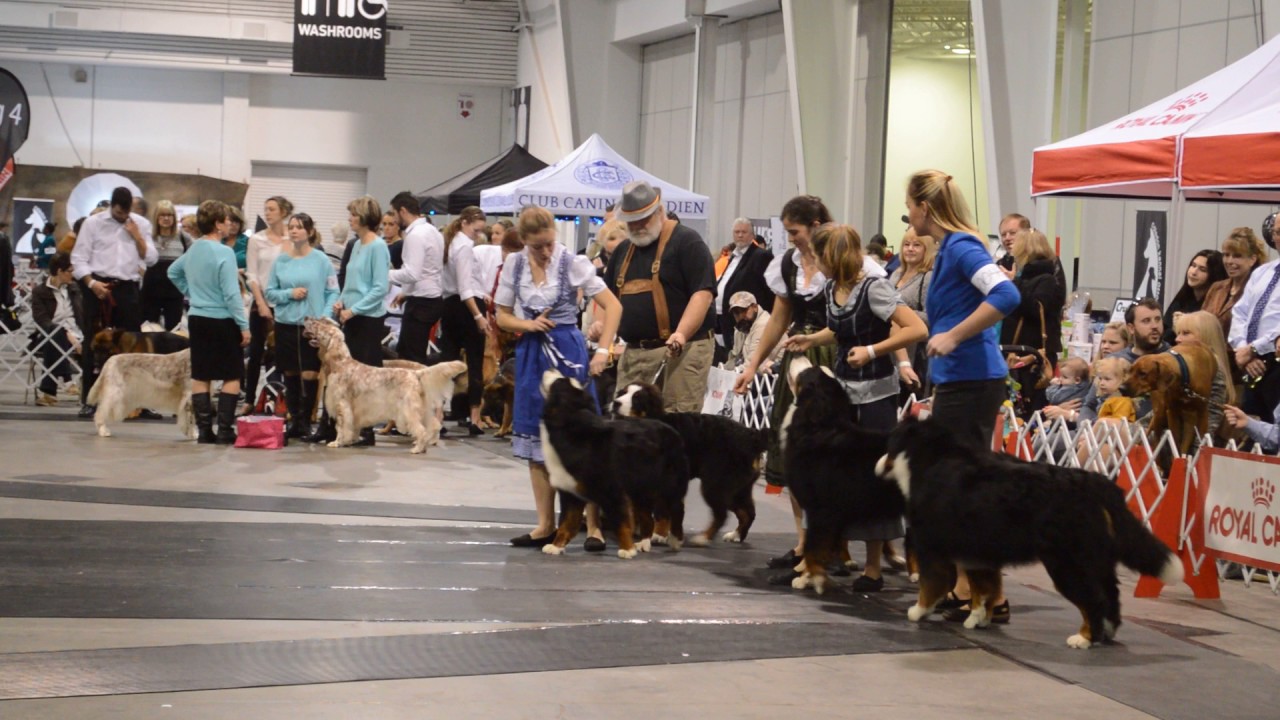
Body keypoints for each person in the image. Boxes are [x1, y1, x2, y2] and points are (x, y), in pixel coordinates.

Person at [731, 195, 894, 574]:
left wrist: (894, 359)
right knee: (797, 454)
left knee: (835, 457)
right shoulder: (787, 264)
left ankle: (838, 547)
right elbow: (778, 320)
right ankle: (805, 544)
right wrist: (752, 365)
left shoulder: (854, 265)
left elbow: (883, 320)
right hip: (799, 354)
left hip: (837, 358)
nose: (790, 239)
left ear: (816, 226)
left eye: (795, 231)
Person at [782, 224, 927, 591]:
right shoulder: (833, 288)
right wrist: (811, 339)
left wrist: (873, 351)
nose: (815, 262)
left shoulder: (875, 288)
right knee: (828, 480)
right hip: (843, 394)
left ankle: (873, 568)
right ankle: (819, 558)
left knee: (874, 481)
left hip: (876, 395)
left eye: (819, 256)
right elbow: (840, 330)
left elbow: (916, 329)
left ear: (833, 256)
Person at [908, 169, 1020, 625]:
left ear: (925, 208)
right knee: (957, 491)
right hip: (961, 381)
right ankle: (970, 589)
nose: (908, 216)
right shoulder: (951, 249)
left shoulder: (961, 247)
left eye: (909, 207)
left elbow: (1007, 294)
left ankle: (988, 594)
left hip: (972, 381)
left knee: (964, 492)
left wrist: (954, 335)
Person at [495, 206, 621, 550]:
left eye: (550, 243)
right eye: (538, 246)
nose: (546, 251)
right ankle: (545, 524)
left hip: (567, 351)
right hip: (532, 354)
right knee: (536, 436)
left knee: (583, 439)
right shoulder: (515, 264)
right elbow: (502, 316)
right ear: (524, 241)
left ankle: (593, 526)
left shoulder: (572, 262)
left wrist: (603, 350)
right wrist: (527, 324)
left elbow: (614, 306)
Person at [604, 181, 717, 413]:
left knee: (677, 421)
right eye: (632, 221)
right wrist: (602, 327)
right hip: (634, 355)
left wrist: (681, 333)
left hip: (681, 352)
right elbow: (608, 298)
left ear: (659, 211)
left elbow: (702, 294)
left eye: (643, 219)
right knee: (627, 424)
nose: (637, 226)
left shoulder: (687, 242)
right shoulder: (622, 252)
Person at [167, 200, 250, 444]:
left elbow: (173, 272)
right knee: (232, 375)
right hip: (222, 320)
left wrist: (192, 293)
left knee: (201, 375)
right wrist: (244, 325)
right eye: (227, 220)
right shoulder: (224, 252)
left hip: (197, 318)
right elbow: (232, 294)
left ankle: (204, 431)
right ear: (217, 224)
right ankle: (224, 430)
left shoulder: (193, 249)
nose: (230, 224)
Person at [71, 186, 157, 418]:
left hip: (127, 288)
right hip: (98, 287)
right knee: (94, 344)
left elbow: (151, 258)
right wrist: (92, 284)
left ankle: (137, 403)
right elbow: (78, 259)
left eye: (126, 212)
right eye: (119, 212)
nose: (122, 216)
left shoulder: (140, 224)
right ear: (112, 206)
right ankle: (91, 400)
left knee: (134, 346)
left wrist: (137, 236)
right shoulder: (93, 223)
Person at [314, 196, 391, 447]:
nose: (350, 218)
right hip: (351, 315)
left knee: (365, 378)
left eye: (354, 214)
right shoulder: (355, 244)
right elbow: (349, 282)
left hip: (368, 319)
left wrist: (354, 309)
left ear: (366, 217)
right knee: (344, 376)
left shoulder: (378, 247)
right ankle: (338, 426)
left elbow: (380, 287)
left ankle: (366, 430)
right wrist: (341, 302)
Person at [265, 213, 338, 439]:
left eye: (299, 227)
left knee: (310, 373)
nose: (294, 231)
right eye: (292, 227)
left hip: (312, 326)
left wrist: (325, 317)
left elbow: (333, 291)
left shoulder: (321, 260)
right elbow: (270, 293)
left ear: (310, 231)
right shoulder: (281, 261)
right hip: (285, 324)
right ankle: (294, 420)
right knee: (290, 373)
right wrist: (289, 293)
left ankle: (307, 421)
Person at [439, 206, 490, 435]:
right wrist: (478, 315)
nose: (478, 235)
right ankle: (474, 418)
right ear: (465, 223)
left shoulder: (450, 243)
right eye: (476, 230)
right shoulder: (464, 247)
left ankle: (438, 416)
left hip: (449, 306)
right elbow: (465, 288)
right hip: (468, 307)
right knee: (475, 363)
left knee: (446, 364)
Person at [1227, 221, 1280, 423]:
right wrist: (1244, 350)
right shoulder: (1262, 273)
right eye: (1277, 232)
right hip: (1250, 364)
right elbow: (1240, 312)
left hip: (1275, 359)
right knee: (1251, 427)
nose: (1278, 237)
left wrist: (1255, 348)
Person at [244, 196, 293, 412]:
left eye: (272, 209)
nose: (267, 213)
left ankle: (283, 400)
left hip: (285, 302)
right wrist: (261, 302)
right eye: (266, 209)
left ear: (283, 212)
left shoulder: (292, 238)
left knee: (284, 352)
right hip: (261, 300)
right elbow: (252, 274)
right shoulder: (256, 239)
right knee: (256, 352)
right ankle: (249, 400)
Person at [387, 192, 446, 367]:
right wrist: (406, 292)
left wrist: (385, 274)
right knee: (409, 352)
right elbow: (428, 269)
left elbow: (412, 274)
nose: (394, 219)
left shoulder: (415, 235)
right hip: (431, 298)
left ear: (403, 211)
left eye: (394, 214)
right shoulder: (432, 231)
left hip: (422, 303)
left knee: (411, 358)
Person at [1042, 321, 1132, 424]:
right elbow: (1087, 405)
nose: (1105, 346)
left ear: (1127, 345)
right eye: (1103, 342)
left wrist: (1070, 415)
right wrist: (1060, 407)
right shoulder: (1093, 373)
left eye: (1112, 343)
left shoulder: (1126, 379)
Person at [713, 218, 774, 365]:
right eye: (737, 232)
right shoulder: (732, 256)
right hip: (722, 318)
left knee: (738, 357)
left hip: (745, 319)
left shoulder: (761, 256)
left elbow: (769, 291)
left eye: (744, 232)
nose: (740, 235)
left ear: (752, 235)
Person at [30, 252, 84, 406]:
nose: (73, 274)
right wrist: (66, 334)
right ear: (60, 271)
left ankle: (49, 392)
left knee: (54, 341)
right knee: (55, 332)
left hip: (76, 334)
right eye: (70, 271)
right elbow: (42, 320)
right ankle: (67, 379)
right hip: (49, 334)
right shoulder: (40, 292)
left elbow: (82, 315)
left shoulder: (75, 289)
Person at [1175, 310, 1235, 442]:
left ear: (1206, 337)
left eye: (1186, 333)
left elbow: (1209, 421)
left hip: (1188, 443)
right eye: (1178, 333)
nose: (1177, 339)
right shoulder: (1191, 365)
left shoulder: (1213, 367)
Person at [889, 227, 934, 401]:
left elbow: (931, 317)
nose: (910, 249)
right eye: (907, 244)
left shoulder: (928, 277)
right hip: (890, 350)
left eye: (917, 245)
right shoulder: (896, 274)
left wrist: (900, 314)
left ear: (926, 250)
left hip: (915, 353)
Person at [1202, 227, 1266, 339]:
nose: (1229, 261)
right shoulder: (1216, 288)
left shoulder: (1258, 291)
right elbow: (1201, 323)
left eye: (1237, 256)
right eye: (1226, 255)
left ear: (1252, 259)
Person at [995, 212, 1066, 305]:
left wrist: (1014, 282)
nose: (1007, 238)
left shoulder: (1049, 261)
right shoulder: (1001, 264)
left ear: (1026, 234)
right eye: (1003, 235)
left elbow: (1057, 299)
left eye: (1012, 233)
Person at [141, 200, 191, 330]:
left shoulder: (183, 237)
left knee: (174, 328)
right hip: (151, 289)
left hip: (174, 290)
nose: (166, 218)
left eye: (169, 215)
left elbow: (193, 258)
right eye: (162, 215)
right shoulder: (148, 237)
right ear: (156, 217)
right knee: (150, 327)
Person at [1162, 250, 1226, 346]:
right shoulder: (1182, 299)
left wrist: (1183, 326)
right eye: (1193, 265)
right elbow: (1164, 334)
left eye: (1202, 269)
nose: (1194, 272)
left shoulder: (1217, 306)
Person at [725, 291, 779, 370]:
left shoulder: (763, 324)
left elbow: (753, 361)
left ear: (755, 307)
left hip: (774, 372)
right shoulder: (741, 328)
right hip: (755, 370)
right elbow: (735, 357)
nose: (741, 316)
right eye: (736, 313)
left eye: (744, 310)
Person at [225, 207, 249, 271]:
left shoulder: (248, 241)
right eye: (231, 221)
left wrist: (243, 270)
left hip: (242, 276)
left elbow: (256, 266)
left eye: (237, 222)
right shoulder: (218, 241)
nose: (234, 225)